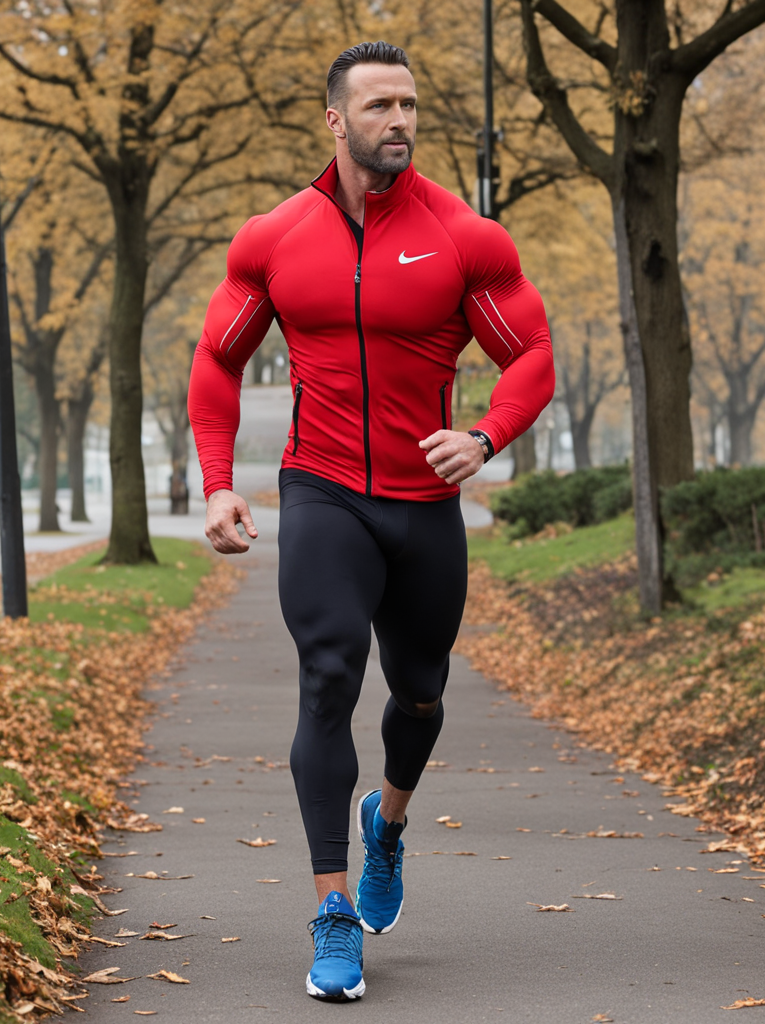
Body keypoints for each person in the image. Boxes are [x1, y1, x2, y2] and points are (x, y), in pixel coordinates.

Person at [188, 40, 554, 1001]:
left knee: (421, 692)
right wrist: (219, 481)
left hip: (425, 503)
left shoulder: (466, 236)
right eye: (381, 104)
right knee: (327, 674)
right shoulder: (273, 238)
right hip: (321, 491)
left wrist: (485, 435)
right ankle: (333, 913)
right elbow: (218, 361)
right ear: (335, 120)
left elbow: (533, 355)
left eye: (411, 105)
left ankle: (386, 823)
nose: (401, 120)